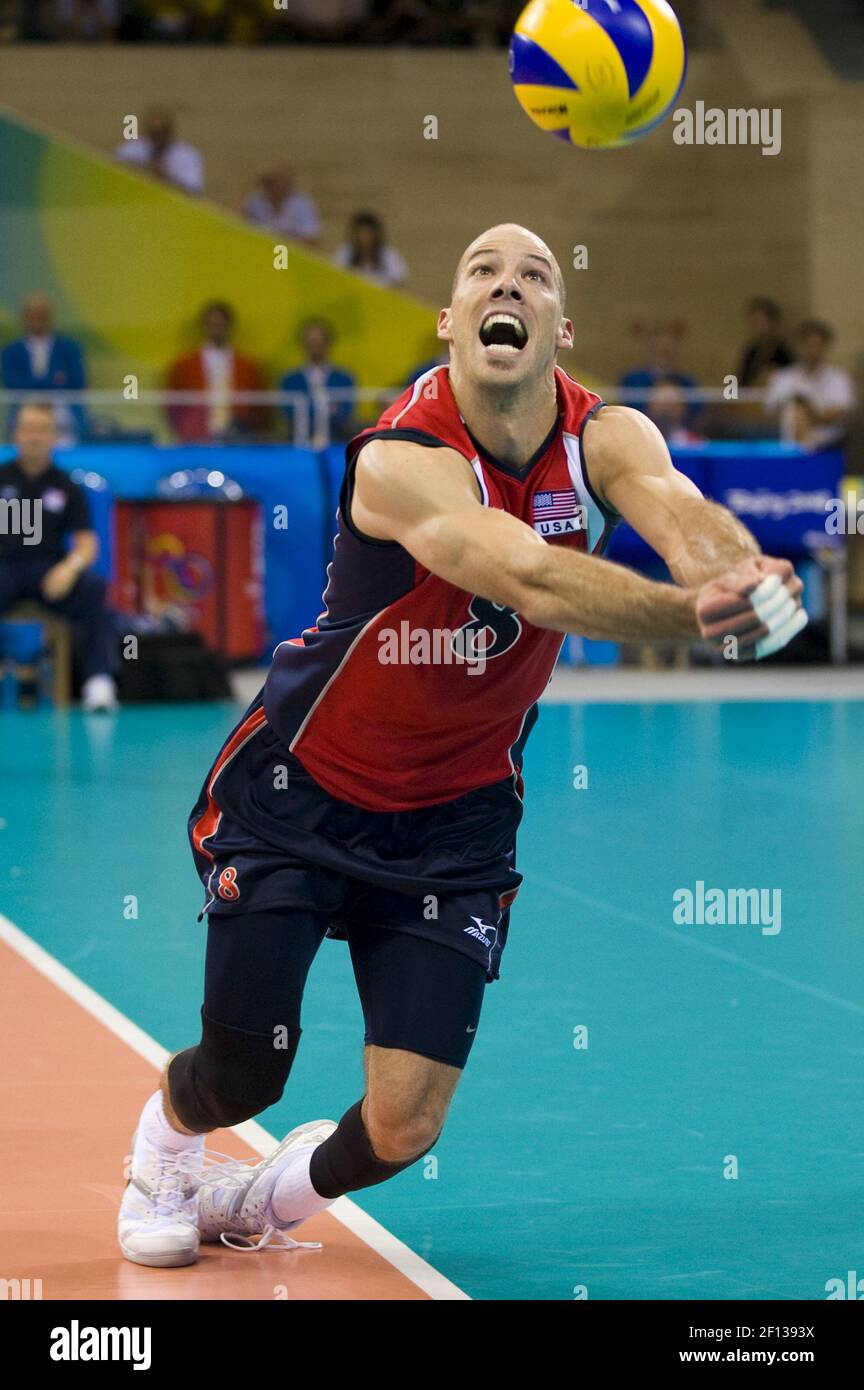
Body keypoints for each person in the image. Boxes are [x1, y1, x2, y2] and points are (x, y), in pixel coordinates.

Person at [117, 224, 806, 1267]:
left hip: (456, 819)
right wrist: (690, 617)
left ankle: (262, 1196)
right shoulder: (401, 456)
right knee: (245, 1074)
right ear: (450, 321)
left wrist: (741, 573)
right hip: (304, 788)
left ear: (558, 329)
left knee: (404, 1127)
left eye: (534, 276)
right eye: (483, 271)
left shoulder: (606, 436)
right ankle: (164, 1148)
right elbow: (522, 573)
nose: (507, 285)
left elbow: (682, 514)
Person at [0, 402, 117, 712]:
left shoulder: (67, 487)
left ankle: (98, 681)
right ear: (15, 434)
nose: (34, 437)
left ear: (54, 436)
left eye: (42, 430)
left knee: (92, 588)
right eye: (28, 429)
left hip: (50, 571)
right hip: (6, 568)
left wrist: (70, 567)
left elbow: (87, 543)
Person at [165, 300, 269, 443]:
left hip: (239, 438)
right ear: (203, 326)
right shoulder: (183, 365)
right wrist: (187, 430)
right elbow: (173, 405)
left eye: (221, 324)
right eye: (212, 324)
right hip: (195, 438)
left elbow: (260, 406)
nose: (217, 329)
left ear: (229, 326)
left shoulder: (248, 366)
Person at [1, 293, 88, 445]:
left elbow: (77, 381)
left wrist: (35, 383)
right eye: (32, 314)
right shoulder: (11, 351)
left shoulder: (69, 348)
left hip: (63, 413)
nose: (37, 319)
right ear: (24, 317)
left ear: (50, 316)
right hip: (24, 409)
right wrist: (52, 381)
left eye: (41, 314)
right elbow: (12, 383)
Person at [763, 319, 855, 452]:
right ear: (798, 345)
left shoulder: (838, 378)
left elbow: (840, 411)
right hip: (785, 445)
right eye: (807, 344)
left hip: (829, 446)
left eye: (817, 344)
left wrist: (807, 412)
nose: (812, 349)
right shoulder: (783, 377)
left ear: (825, 346)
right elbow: (770, 412)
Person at [280, 319, 357, 446]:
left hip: (336, 443)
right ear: (302, 344)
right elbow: (290, 414)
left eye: (320, 342)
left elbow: (344, 413)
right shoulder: (289, 379)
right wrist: (327, 409)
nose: (315, 347)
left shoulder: (345, 378)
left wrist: (308, 409)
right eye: (311, 342)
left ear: (329, 344)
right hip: (296, 444)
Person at [114, 106, 204, 195]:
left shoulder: (188, 156)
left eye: (162, 132)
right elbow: (114, 174)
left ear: (169, 131)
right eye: (154, 132)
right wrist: (138, 170)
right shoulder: (129, 151)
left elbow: (194, 191)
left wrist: (165, 177)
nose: (158, 137)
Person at [241, 166, 321, 245]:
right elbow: (236, 220)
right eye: (267, 183)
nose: (270, 188)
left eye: (274, 183)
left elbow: (313, 239)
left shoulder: (301, 205)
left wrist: (281, 237)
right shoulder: (256, 201)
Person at [332, 210, 408, 289]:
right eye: (360, 233)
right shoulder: (344, 253)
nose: (364, 238)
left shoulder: (389, 256)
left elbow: (399, 284)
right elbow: (335, 279)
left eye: (368, 233)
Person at [736, 296, 794, 388]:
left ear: (772, 322)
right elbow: (741, 382)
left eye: (762, 322)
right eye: (755, 322)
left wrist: (775, 376)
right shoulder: (752, 352)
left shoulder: (783, 352)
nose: (758, 327)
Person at [646, 377, 707, 447]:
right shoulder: (640, 439)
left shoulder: (697, 443)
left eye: (670, 403)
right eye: (660, 403)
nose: (666, 409)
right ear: (650, 405)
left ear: (682, 407)